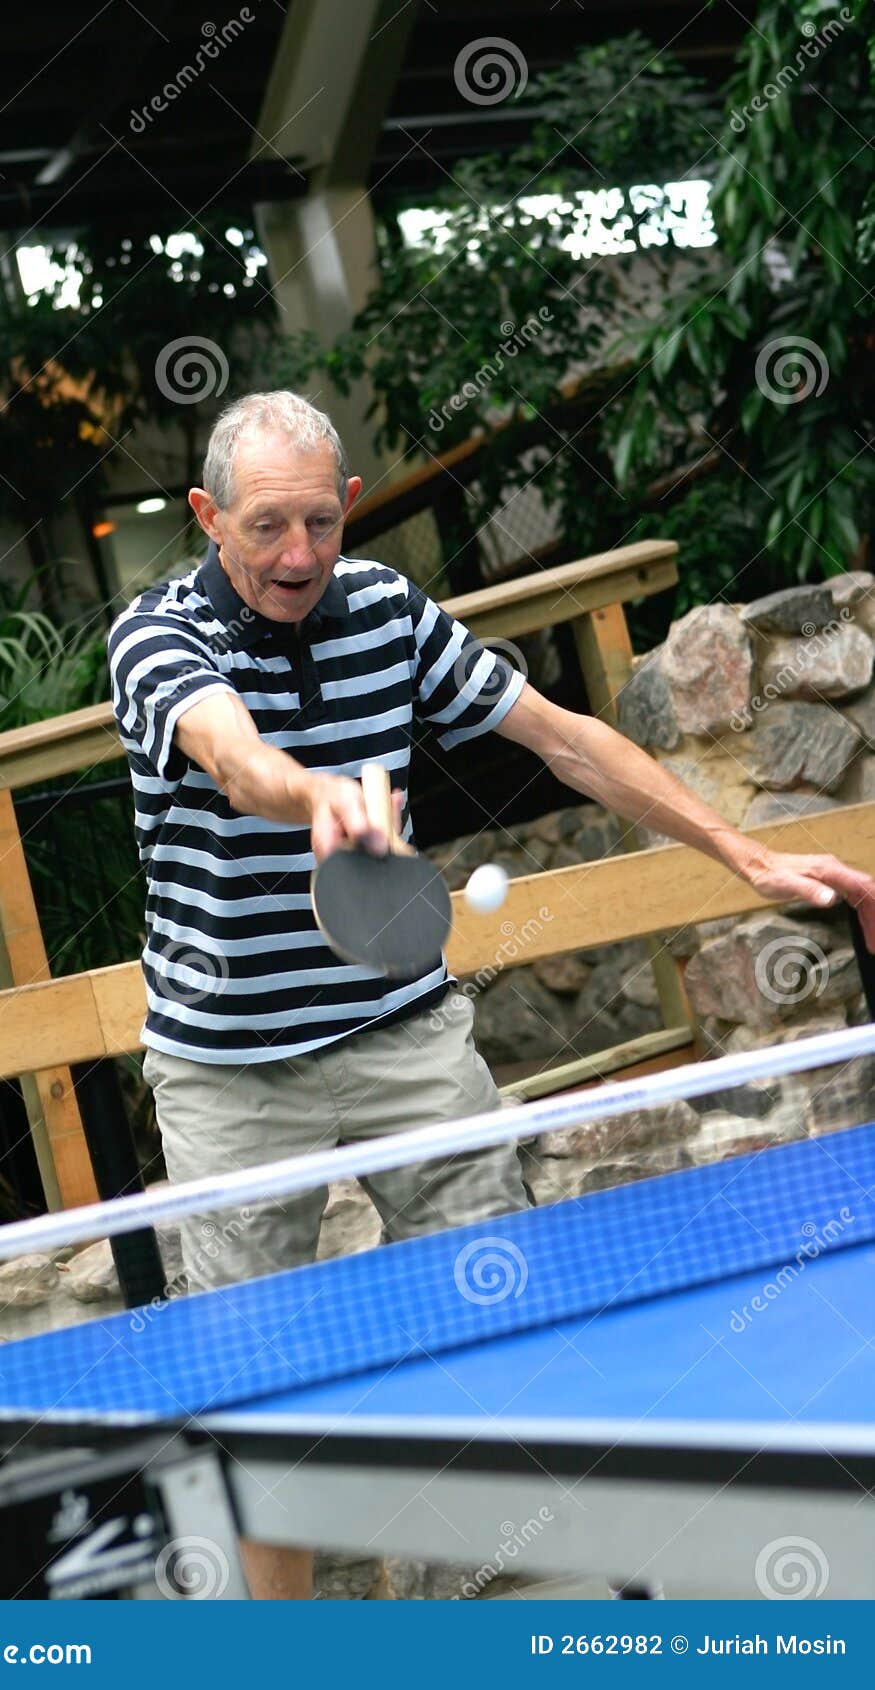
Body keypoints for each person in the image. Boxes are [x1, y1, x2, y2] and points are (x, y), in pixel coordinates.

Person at [108, 390, 875, 1599]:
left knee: (502, 1333)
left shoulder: (384, 610)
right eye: (265, 527)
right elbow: (231, 753)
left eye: (320, 521)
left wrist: (743, 852)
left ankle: (543, 1616)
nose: (298, 556)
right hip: (230, 1068)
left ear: (349, 508)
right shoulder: (155, 636)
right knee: (256, 1393)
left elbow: (566, 738)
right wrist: (313, 797)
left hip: (406, 1033)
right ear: (207, 518)